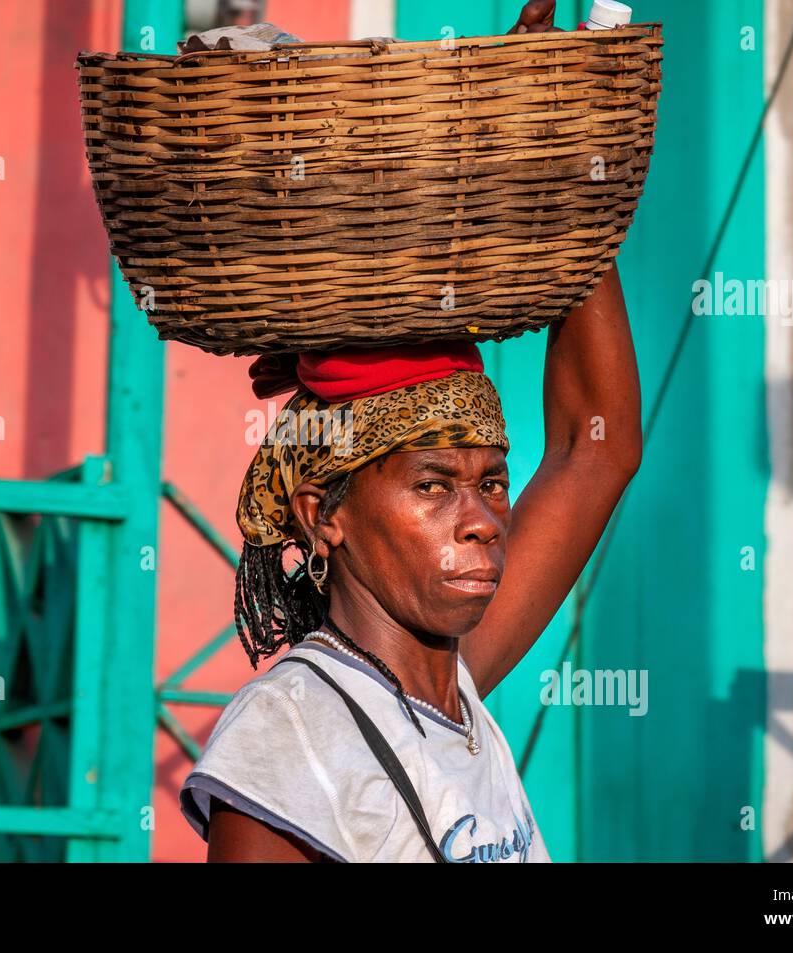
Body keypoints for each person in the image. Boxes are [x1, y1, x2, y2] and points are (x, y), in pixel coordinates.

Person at [177, 0, 642, 863]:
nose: (481, 519)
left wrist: (556, 158)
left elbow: (596, 445)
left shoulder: (452, 679)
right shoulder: (288, 748)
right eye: (433, 485)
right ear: (326, 514)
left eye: (492, 481)